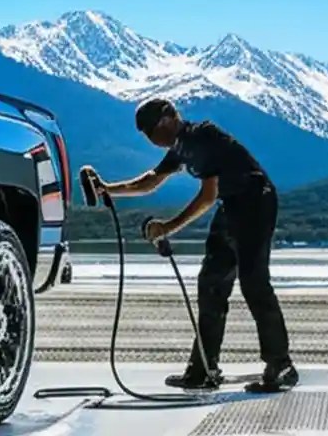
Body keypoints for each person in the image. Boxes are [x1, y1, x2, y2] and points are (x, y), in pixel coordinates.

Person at [101, 98, 298, 393]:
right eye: (147, 136)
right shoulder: (179, 148)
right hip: (231, 204)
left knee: (254, 282)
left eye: (153, 131)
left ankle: (281, 365)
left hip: (256, 200)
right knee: (211, 284)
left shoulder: (202, 138)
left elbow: (206, 197)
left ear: (169, 118)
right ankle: (203, 369)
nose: (152, 140)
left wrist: (167, 227)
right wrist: (107, 189)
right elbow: (150, 181)